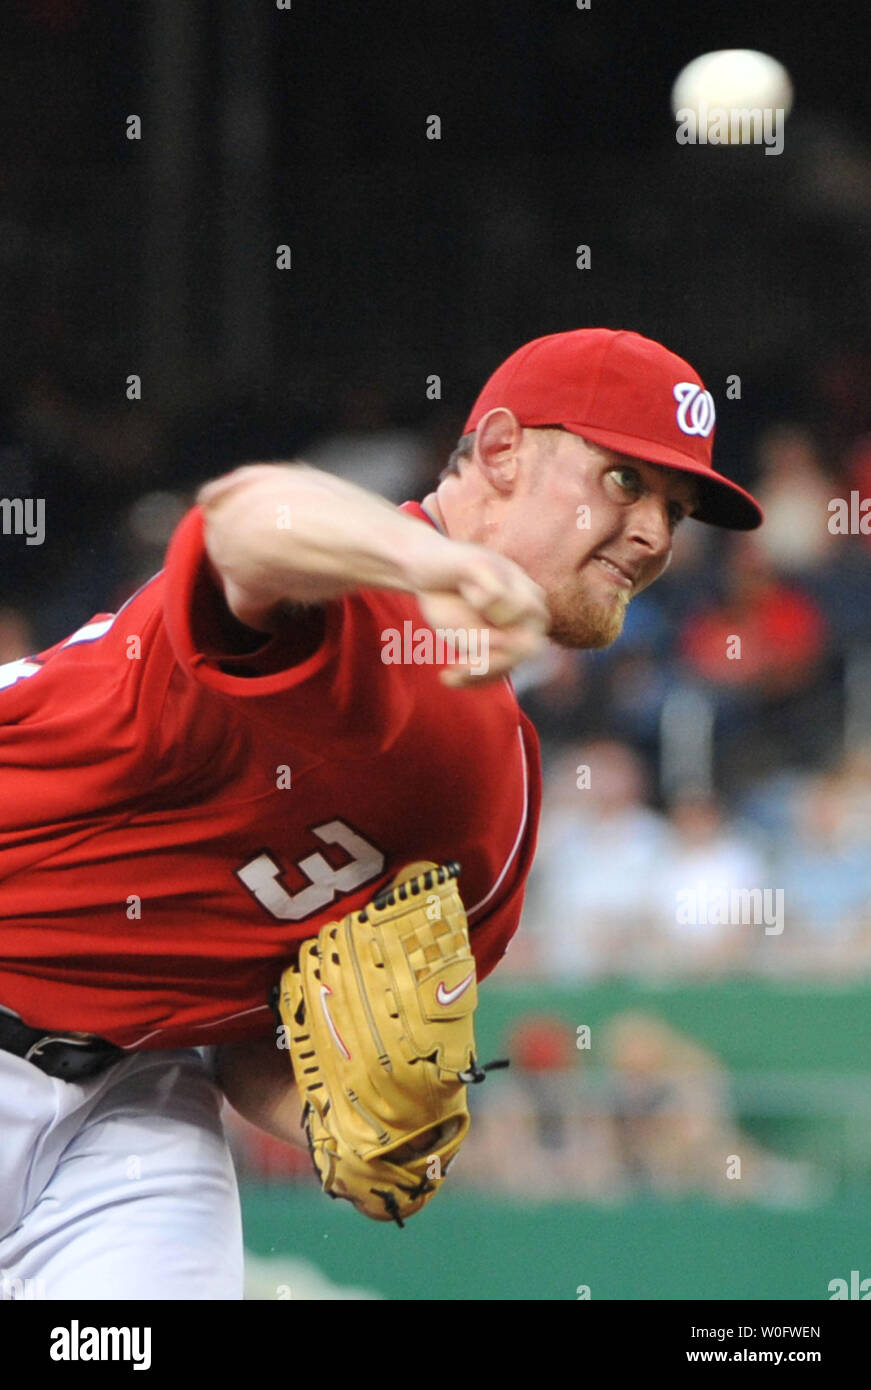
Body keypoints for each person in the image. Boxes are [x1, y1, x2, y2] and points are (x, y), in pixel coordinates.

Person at [0, 328, 762, 1299]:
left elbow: (253, 1039)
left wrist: (349, 1124)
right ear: (497, 451)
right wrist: (418, 559)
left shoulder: (502, 802)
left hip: (131, 1101)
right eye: (622, 481)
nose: (656, 531)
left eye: (677, 506)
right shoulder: (345, 589)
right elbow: (246, 520)